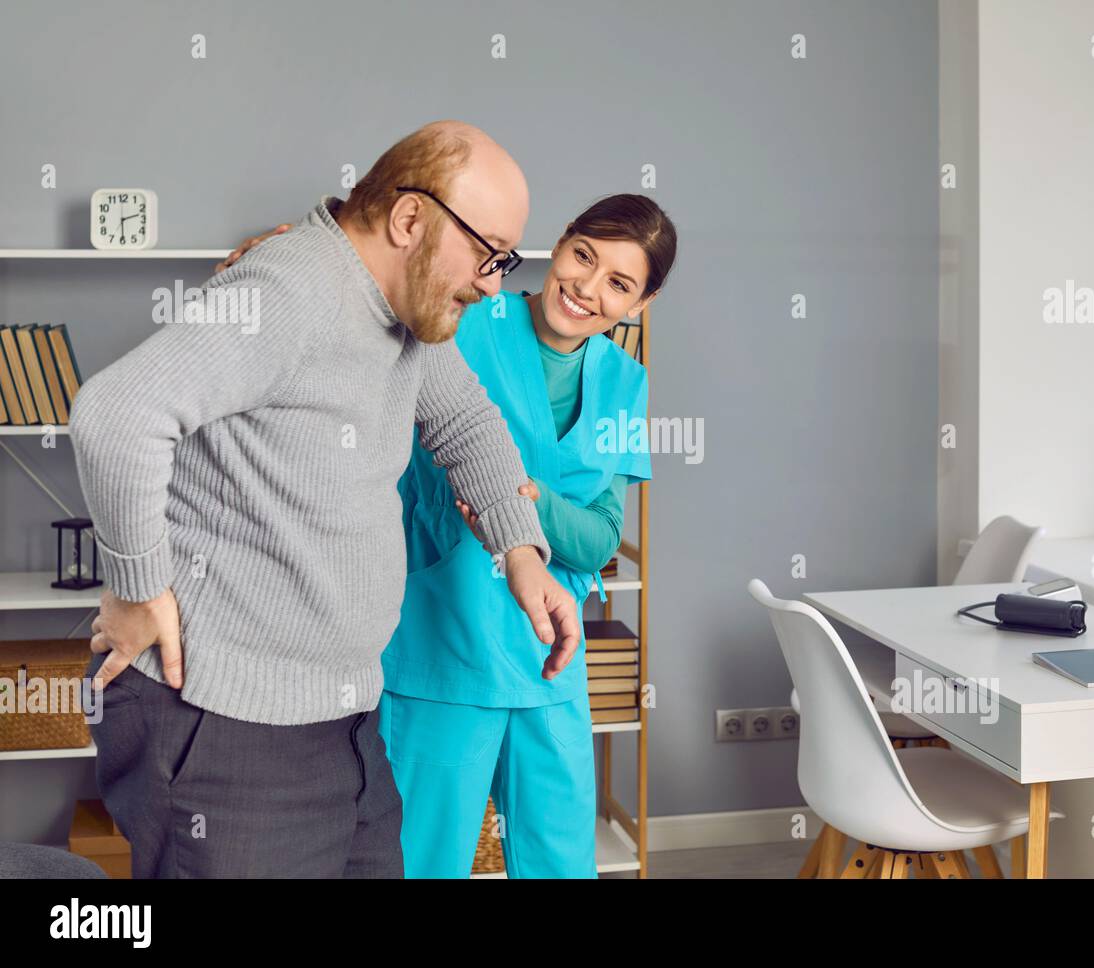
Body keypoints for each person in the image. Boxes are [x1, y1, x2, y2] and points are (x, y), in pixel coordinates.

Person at [69, 120, 581, 878]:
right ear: (410, 220)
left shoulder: (404, 313)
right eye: (488, 254)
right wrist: (139, 589)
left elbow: (466, 422)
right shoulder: (288, 290)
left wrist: (521, 550)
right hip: (224, 723)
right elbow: (115, 416)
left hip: (342, 722)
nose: (493, 283)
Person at [223, 195, 676, 877]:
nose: (587, 288)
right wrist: (284, 263)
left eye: (620, 283)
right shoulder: (464, 318)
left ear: (640, 304)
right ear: (559, 245)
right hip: (441, 648)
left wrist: (520, 494)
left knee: (562, 864)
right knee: (419, 862)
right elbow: (366, 298)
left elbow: (598, 542)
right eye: (583, 256)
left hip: (548, 659)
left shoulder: (625, 385)